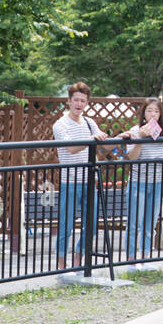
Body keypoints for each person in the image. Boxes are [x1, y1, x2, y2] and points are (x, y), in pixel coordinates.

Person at [51, 82, 109, 269]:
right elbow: (71, 148)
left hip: (89, 179)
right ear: (69, 101)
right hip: (70, 180)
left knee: (91, 225)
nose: (79, 104)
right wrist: (90, 140)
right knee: (65, 226)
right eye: (76, 100)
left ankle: (78, 258)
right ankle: (61, 264)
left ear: (87, 103)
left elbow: (103, 143)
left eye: (83, 100)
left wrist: (119, 137)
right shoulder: (60, 124)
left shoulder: (89, 122)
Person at [116, 97, 163, 267]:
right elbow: (132, 157)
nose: (153, 114)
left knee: (150, 223)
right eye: (149, 110)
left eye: (156, 111)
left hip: (156, 183)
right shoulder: (136, 130)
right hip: (138, 183)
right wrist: (141, 137)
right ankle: (131, 260)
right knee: (134, 223)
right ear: (143, 113)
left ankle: (146, 257)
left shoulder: (160, 132)